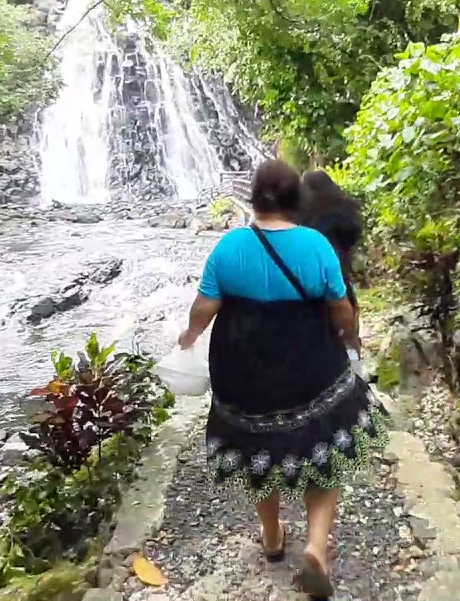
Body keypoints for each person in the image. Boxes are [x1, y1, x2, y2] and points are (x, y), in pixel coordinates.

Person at [178, 160, 390, 599]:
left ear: (253, 199)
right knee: (326, 445)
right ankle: (315, 546)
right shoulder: (315, 246)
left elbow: (205, 306)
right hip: (309, 369)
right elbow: (340, 309)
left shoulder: (230, 246)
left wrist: (190, 336)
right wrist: (351, 340)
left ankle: (273, 537)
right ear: (297, 201)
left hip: (244, 372)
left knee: (259, 449)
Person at [297, 170, 365, 370]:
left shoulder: (305, 216)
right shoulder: (348, 212)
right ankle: (355, 369)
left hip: (310, 283)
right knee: (348, 327)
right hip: (340, 276)